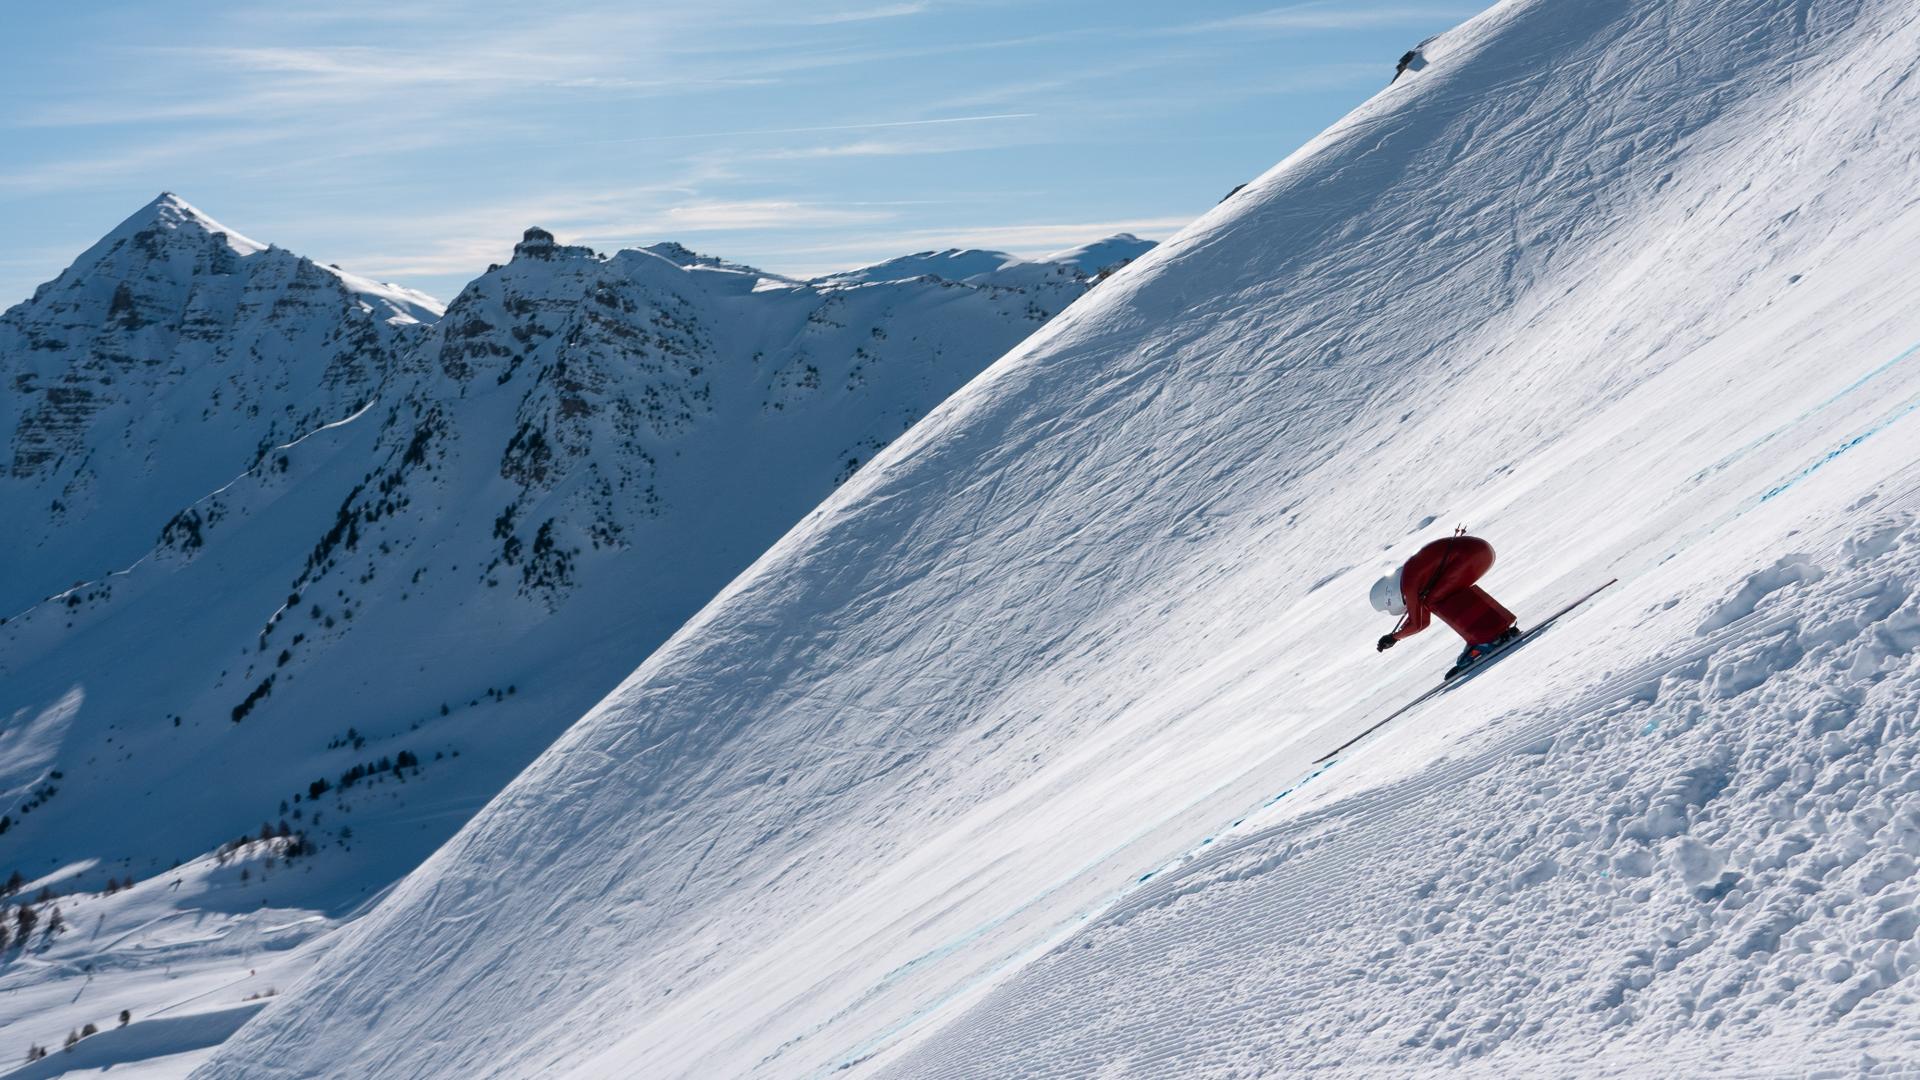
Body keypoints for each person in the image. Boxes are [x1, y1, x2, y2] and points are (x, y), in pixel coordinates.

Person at [1370, 533, 1521, 676]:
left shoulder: (1409, 583)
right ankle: (1497, 630)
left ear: (1390, 595)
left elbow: (1418, 622)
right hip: (1480, 552)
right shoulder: (1412, 575)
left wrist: (1394, 637)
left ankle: (1487, 639)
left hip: (1469, 555)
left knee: (1434, 599)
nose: (1407, 602)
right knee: (1439, 596)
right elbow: (1422, 620)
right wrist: (1395, 636)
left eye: (1404, 601)